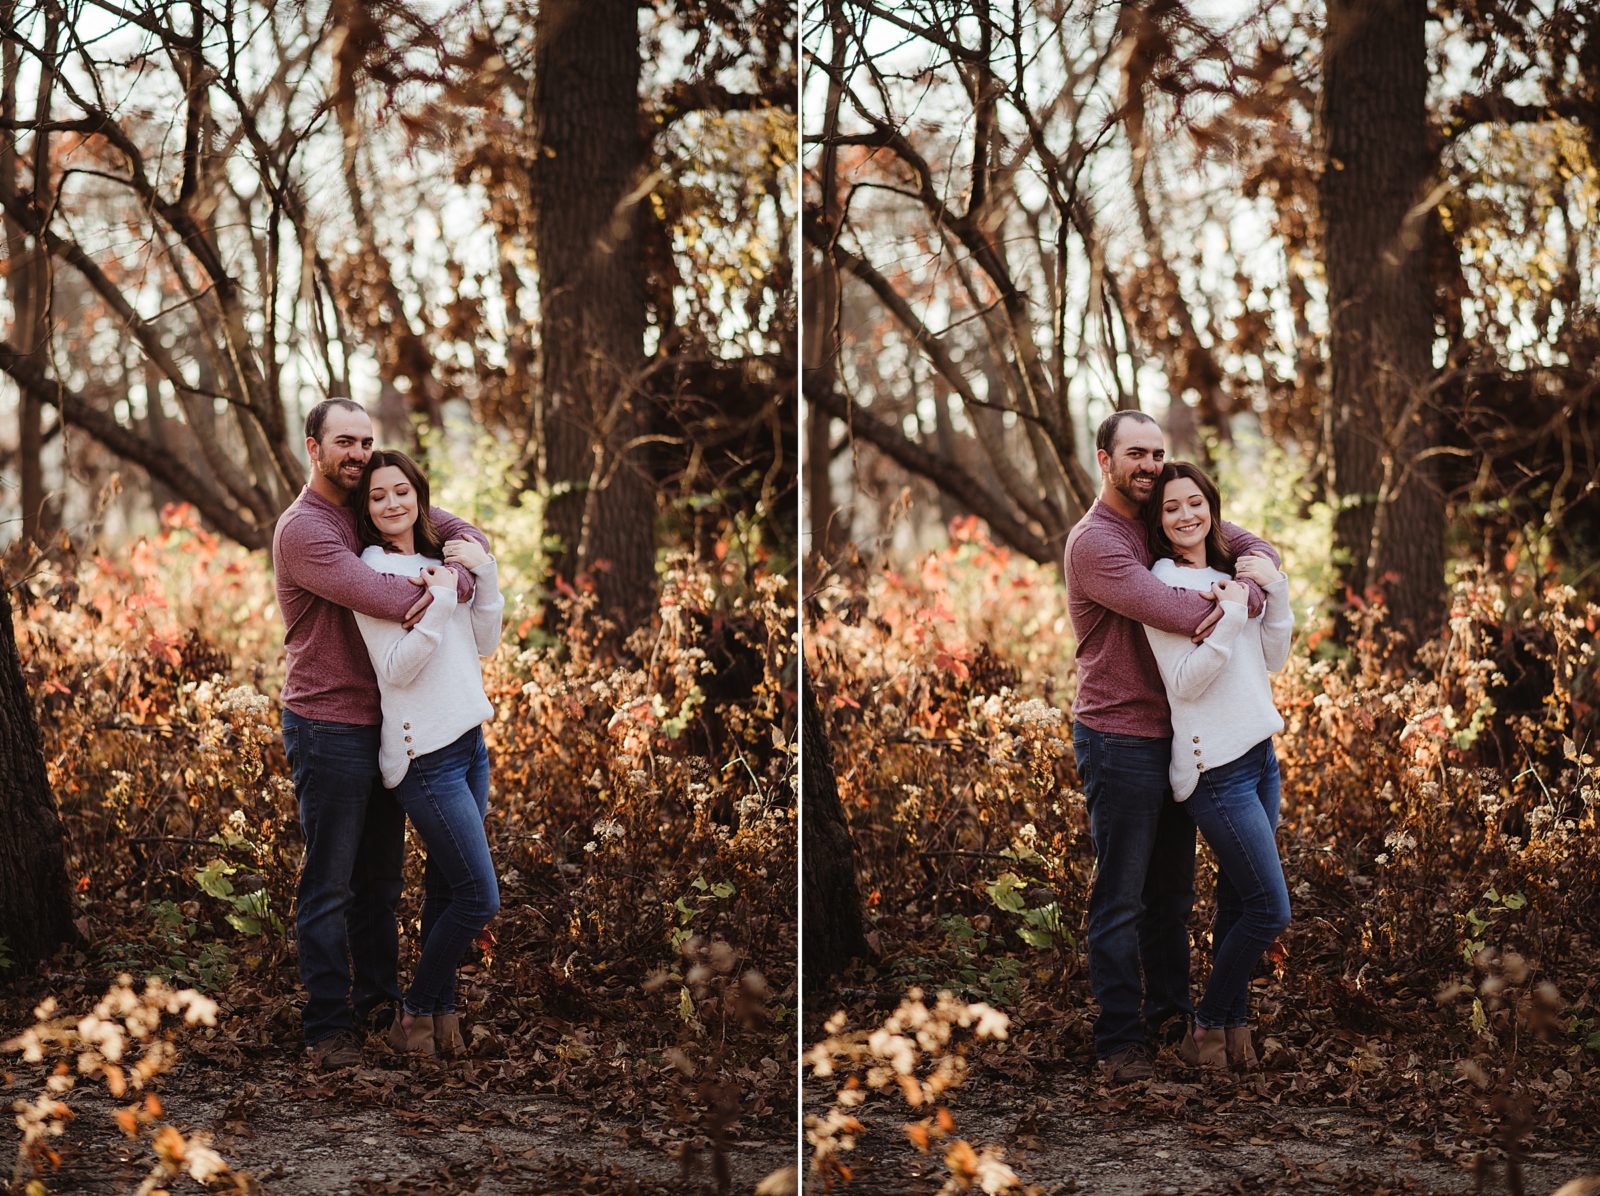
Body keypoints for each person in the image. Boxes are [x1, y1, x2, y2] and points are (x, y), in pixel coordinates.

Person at [1061, 410, 1279, 1083]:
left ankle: (1173, 1019)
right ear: (1104, 460)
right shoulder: (1097, 543)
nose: (1150, 464)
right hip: (1119, 734)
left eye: (1157, 452)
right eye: (1135, 453)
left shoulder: (1161, 514)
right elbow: (1185, 614)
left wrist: (1252, 565)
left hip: (1182, 737)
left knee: (1173, 897)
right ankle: (1120, 1041)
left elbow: (1241, 537)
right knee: (1122, 896)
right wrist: (1245, 591)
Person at [273, 399, 489, 1070]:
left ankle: (378, 1006)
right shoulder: (306, 529)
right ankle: (328, 1029)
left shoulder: (368, 502)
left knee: (382, 884)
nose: (359, 452)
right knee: (330, 883)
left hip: (390, 722)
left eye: (366, 440)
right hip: (328, 720)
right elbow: (393, 598)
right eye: (344, 441)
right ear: (313, 446)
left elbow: (456, 526)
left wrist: (463, 557)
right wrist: (457, 576)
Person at [348, 450, 503, 1058]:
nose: (391, 503)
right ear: (366, 509)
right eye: (378, 495)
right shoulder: (375, 572)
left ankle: (442, 1019)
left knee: (447, 891)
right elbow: (395, 668)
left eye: (401, 491)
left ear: (419, 493)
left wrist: (482, 575)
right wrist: (438, 607)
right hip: (424, 756)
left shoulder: (443, 559)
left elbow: (484, 641)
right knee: (478, 897)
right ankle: (413, 1015)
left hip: (470, 744)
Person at [1140, 461, 1292, 1071]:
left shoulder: (1234, 574)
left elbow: (1273, 657)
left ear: (1212, 504)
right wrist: (1229, 619)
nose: (1186, 516)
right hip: (1214, 769)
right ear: (1159, 519)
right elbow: (1184, 682)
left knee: (1239, 903)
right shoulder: (1165, 583)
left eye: (1195, 502)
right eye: (1171, 507)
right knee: (1269, 910)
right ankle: (1204, 1029)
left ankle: (1233, 1032)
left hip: (1260, 757)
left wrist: (1272, 593)